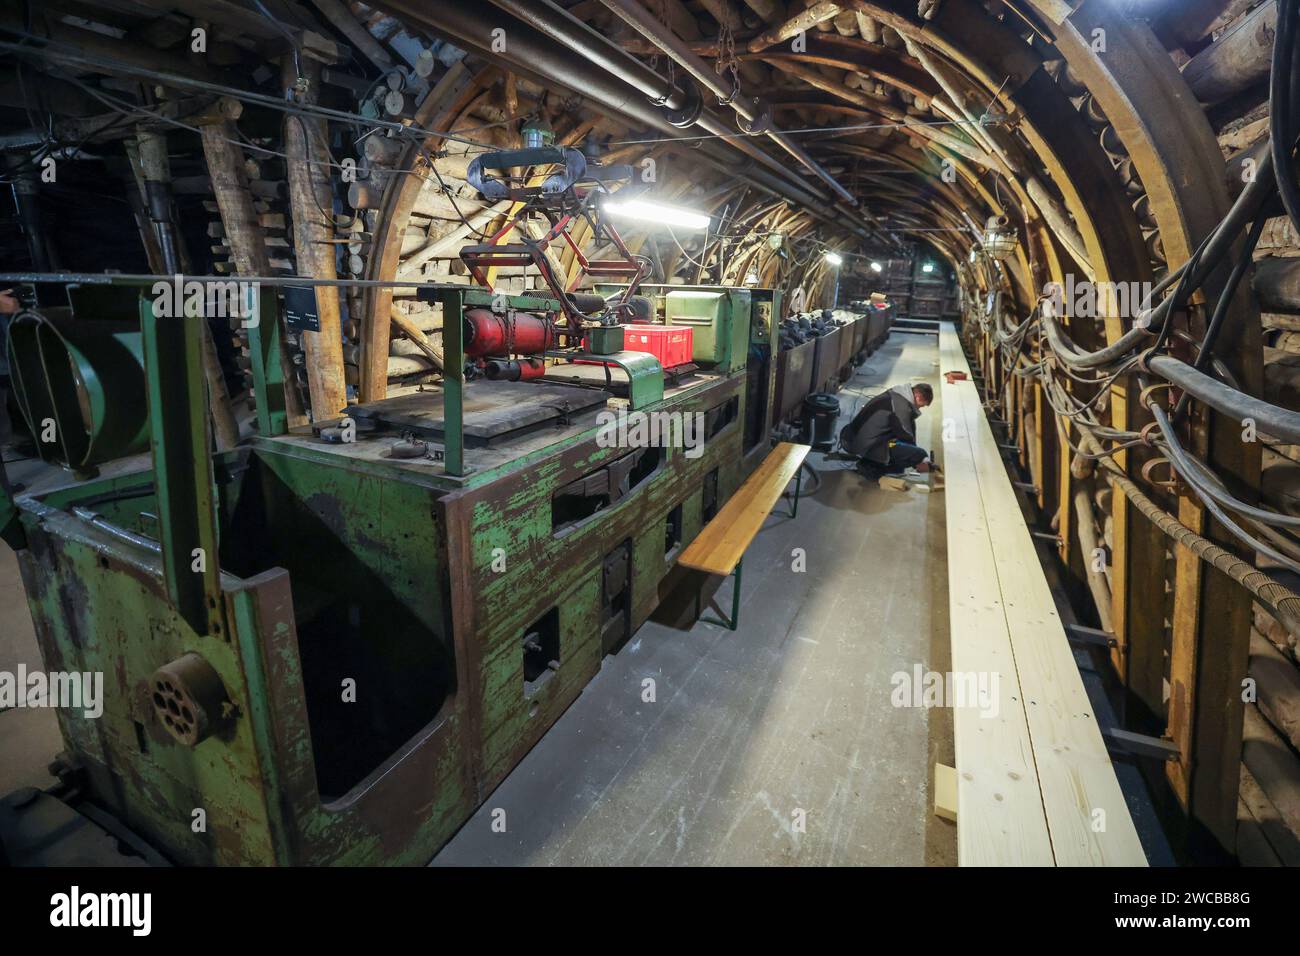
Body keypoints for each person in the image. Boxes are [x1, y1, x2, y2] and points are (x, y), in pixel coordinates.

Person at [839, 381, 934, 481]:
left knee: (906, 447)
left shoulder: (898, 394)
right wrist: (921, 458)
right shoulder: (901, 406)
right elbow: (905, 435)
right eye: (922, 405)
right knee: (916, 453)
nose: (920, 408)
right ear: (918, 397)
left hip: (858, 437)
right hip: (866, 443)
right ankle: (871, 467)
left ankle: (872, 462)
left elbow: (908, 428)